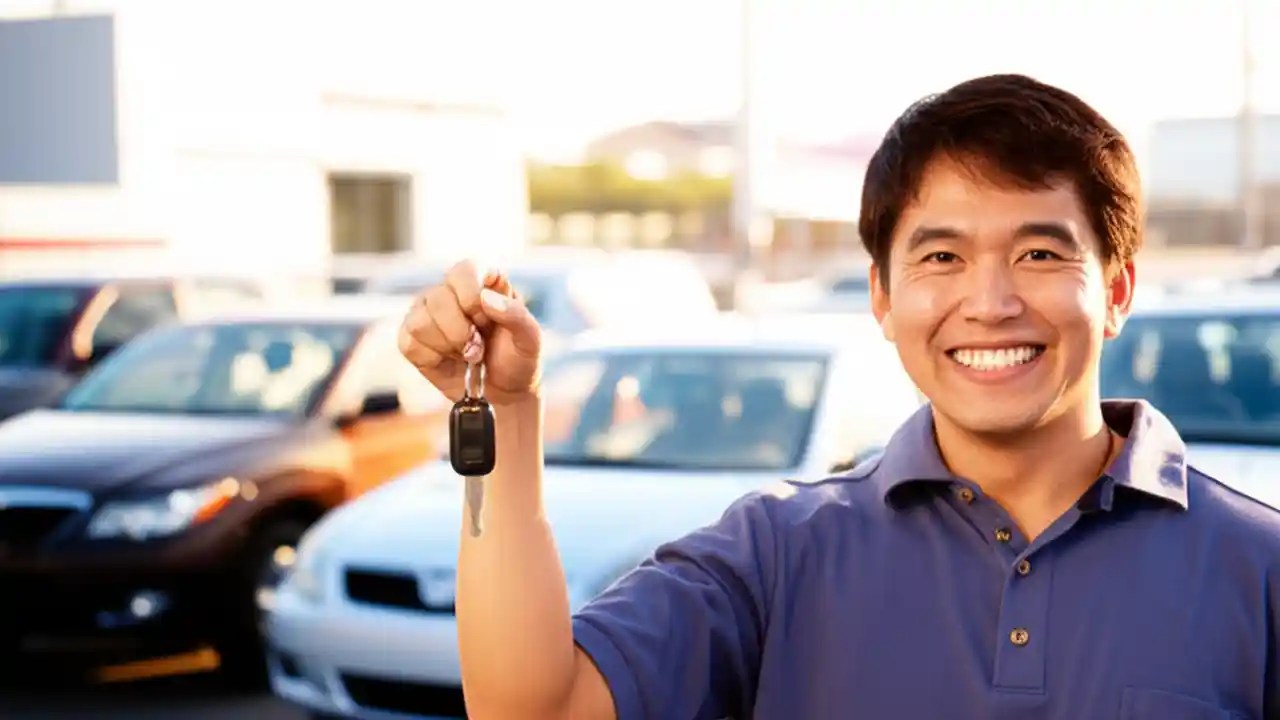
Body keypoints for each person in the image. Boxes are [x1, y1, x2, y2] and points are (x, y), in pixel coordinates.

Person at [398, 73, 1280, 719]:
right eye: (941, 258)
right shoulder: (776, 554)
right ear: (882, 298)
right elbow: (532, 708)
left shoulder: (1257, 565)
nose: (991, 301)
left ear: (1117, 291)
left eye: (1040, 254)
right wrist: (508, 412)